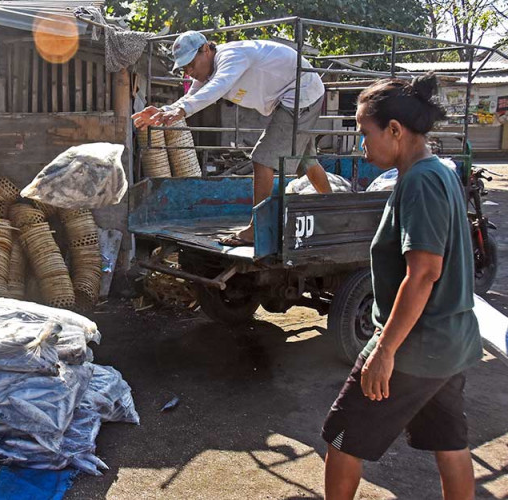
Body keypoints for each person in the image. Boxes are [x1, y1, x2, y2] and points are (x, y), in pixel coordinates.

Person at [321, 74, 482, 500]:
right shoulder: (438, 170)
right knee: (450, 442)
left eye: (364, 132)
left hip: (415, 345)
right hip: (448, 342)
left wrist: (384, 351)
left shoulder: (420, 181)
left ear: (394, 130)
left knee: (342, 437)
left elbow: (424, 272)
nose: (361, 144)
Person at [132, 31, 332, 246]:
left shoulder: (231, 56)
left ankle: (257, 229)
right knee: (305, 161)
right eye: (184, 68)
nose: (189, 72)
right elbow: (192, 96)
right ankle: (334, 208)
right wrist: (164, 111)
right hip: (296, 94)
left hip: (301, 93)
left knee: (263, 159)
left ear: (206, 50)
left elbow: (218, 87)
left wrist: (181, 111)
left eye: (191, 64)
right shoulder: (208, 72)